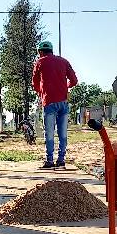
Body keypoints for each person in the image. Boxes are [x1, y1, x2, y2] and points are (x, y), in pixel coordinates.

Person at [32, 40, 78, 169]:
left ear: (40, 52)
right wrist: (65, 87)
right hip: (63, 101)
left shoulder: (39, 62)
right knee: (63, 133)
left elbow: (34, 83)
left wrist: (41, 93)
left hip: (49, 102)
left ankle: (50, 160)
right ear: (51, 50)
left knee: (50, 133)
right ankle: (61, 159)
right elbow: (74, 80)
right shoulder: (64, 61)